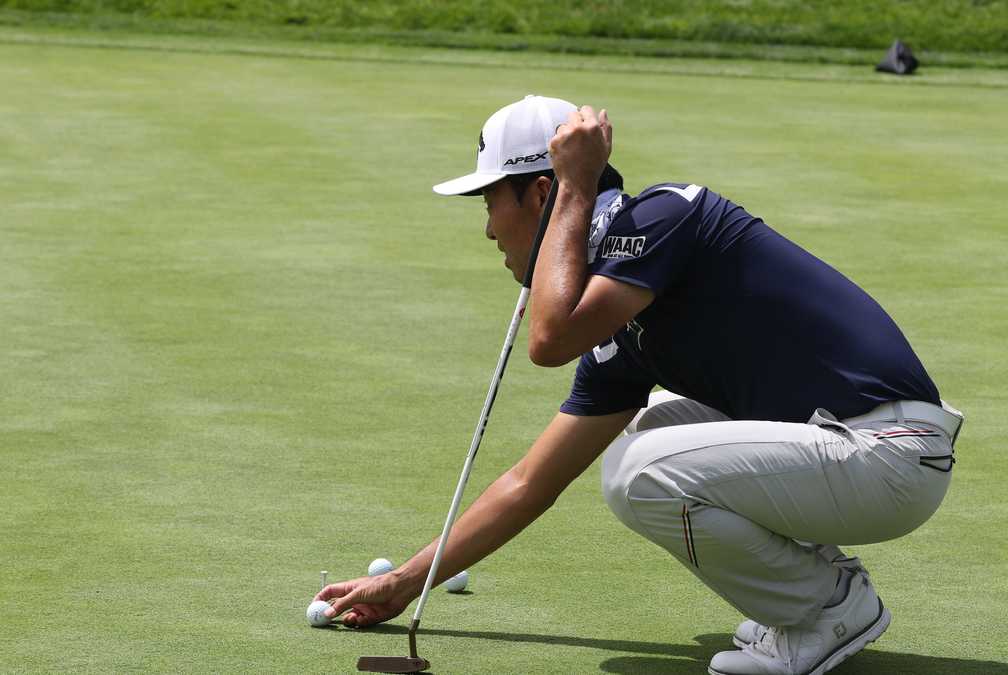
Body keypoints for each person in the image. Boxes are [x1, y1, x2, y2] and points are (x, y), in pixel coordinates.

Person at [316, 95, 963, 675]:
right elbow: (530, 481)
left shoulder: (659, 217)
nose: (488, 229)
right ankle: (821, 590)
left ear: (541, 194)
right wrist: (403, 582)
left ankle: (826, 606)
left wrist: (575, 184)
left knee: (638, 469)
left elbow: (547, 340)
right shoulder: (621, 323)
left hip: (888, 453)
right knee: (651, 430)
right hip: (850, 455)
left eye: (491, 202)